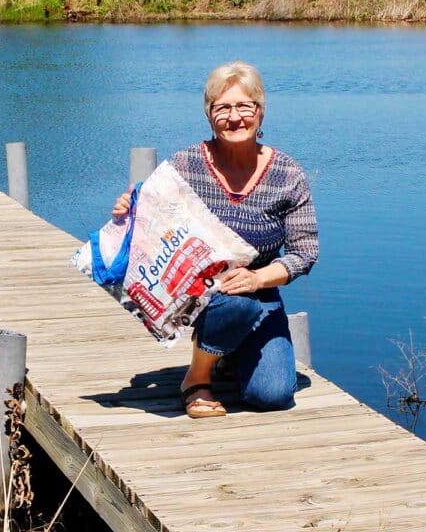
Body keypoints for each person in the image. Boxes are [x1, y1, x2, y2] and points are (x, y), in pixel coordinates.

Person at [112, 61, 318, 418]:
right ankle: (197, 377)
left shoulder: (288, 174)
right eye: (222, 108)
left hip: (261, 295)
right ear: (209, 115)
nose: (234, 117)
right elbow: (149, 220)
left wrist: (258, 278)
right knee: (236, 305)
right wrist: (126, 212)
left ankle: (227, 350)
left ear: (260, 112)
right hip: (198, 297)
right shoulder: (186, 165)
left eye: (244, 106)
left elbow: (305, 252)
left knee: (273, 395)